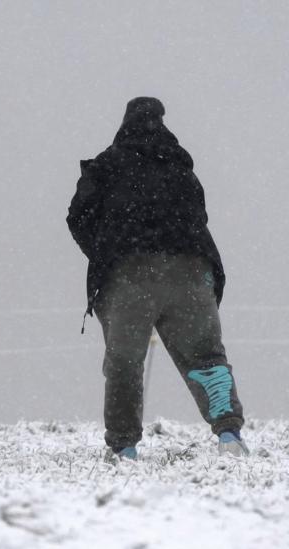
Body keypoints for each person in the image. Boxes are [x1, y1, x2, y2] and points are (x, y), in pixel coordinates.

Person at [67, 97, 248, 459]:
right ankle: (229, 437)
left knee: (125, 362)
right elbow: (199, 215)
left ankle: (124, 447)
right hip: (192, 269)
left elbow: (77, 216)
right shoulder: (181, 167)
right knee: (207, 357)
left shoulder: (106, 165)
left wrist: (105, 251)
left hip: (130, 273)